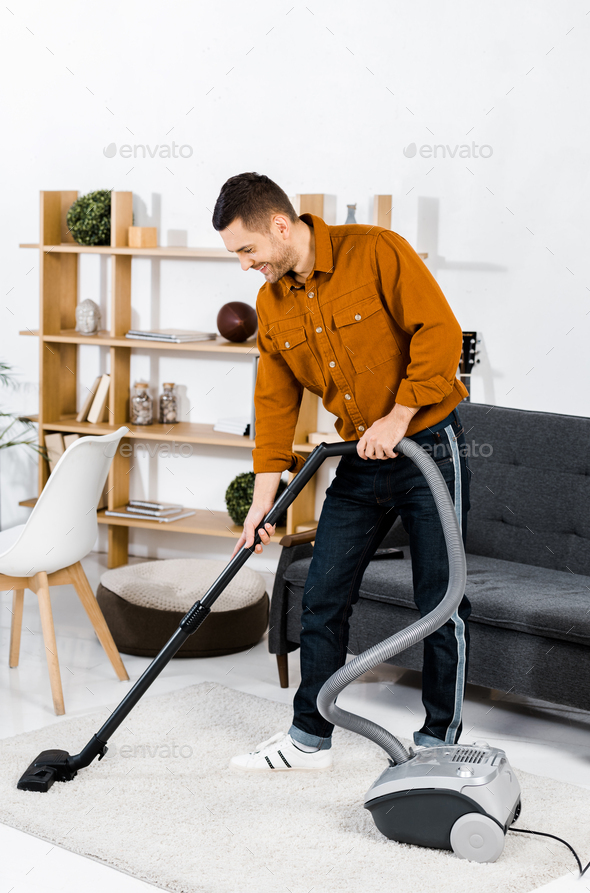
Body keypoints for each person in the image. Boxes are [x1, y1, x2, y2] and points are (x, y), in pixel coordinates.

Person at [213, 172, 471, 771]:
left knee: (442, 598)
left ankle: (440, 741)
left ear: (281, 226)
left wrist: (400, 415)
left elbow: (440, 333)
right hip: (357, 456)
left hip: (427, 447)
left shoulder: (376, 251)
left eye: (248, 250)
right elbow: (275, 405)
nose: (246, 265)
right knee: (322, 593)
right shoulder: (271, 302)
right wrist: (262, 501)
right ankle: (309, 738)